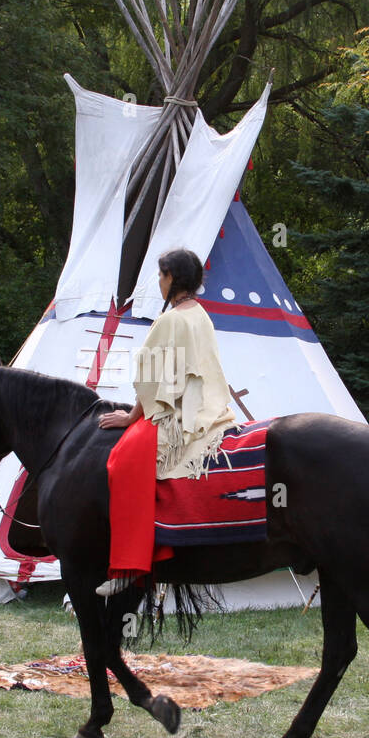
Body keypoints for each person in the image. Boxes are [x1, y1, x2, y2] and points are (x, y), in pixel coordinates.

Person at [95, 249, 235, 594]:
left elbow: (152, 379)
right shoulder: (200, 314)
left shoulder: (169, 320)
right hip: (207, 409)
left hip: (178, 417)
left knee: (122, 459)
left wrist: (130, 417)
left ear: (171, 276)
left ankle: (130, 565)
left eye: (160, 276)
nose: (158, 283)